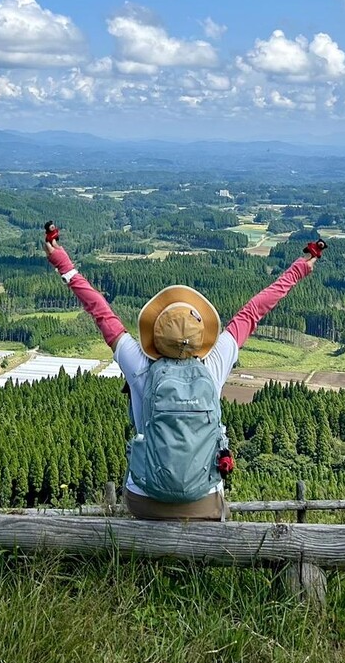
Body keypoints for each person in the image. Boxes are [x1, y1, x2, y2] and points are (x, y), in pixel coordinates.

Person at [42, 222, 325, 521]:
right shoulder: (214, 364)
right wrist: (299, 269)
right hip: (204, 500)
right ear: (202, 335)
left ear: (154, 333)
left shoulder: (139, 367)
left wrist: (63, 263)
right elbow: (254, 310)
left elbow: (101, 311)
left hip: (144, 500)